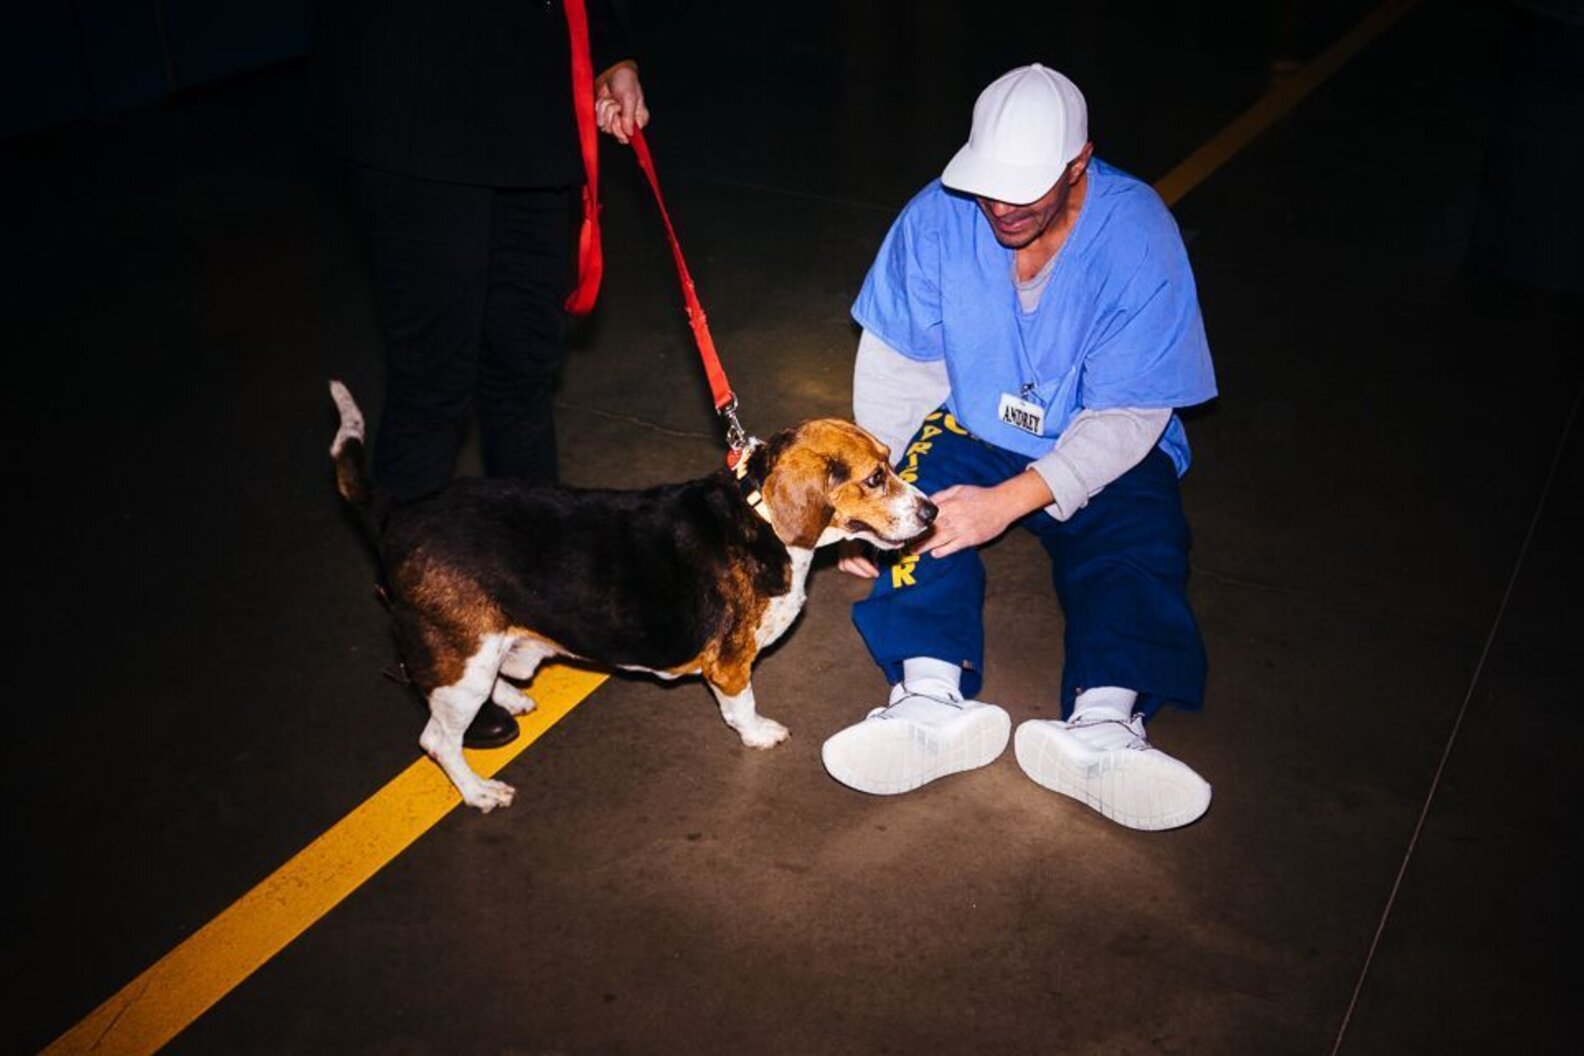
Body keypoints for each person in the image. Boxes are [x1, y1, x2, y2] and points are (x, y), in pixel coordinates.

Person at [820, 64, 1218, 831]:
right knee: (919, 514)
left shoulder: (1138, 236)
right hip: (973, 425)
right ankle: (928, 704)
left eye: (1024, 190)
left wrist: (1010, 502)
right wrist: (867, 503)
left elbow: (1133, 416)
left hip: (1097, 434)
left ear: (1080, 164)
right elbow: (898, 363)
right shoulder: (938, 217)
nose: (1000, 206)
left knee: (1139, 541)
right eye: (989, 185)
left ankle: (1105, 726)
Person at [310, 1, 648, 747]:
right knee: (435, 382)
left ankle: (540, 602)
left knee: (525, 373)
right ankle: (433, 638)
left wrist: (611, 52)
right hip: (419, 96)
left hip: (534, 103)